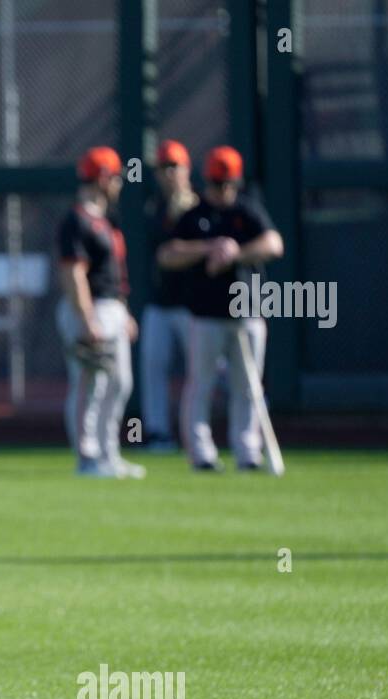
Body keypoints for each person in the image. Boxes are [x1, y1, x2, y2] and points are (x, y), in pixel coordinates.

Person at [158, 146, 284, 471]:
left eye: (227, 184)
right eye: (216, 184)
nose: (222, 191)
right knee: (201, 383)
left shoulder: (248, 211)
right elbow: (168, 254)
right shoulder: (195, 216)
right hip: (206, 315)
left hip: (248, 312)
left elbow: (274, 244)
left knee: (248, 386)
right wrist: (207, 248)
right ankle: (201, 454)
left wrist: (234, 254)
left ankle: (248, 452)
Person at [54, 146, 145, 479]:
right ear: (103, 177)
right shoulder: (77, 220)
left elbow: (114, 275)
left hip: (111, 308)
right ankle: (87, 457)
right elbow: (73, 272)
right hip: (88, 308)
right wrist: (86, 317)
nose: (119, 182)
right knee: (88, 384)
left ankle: (109, 454)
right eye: (116, 176)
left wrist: (124, 312)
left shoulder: (105, 219)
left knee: (120, 383)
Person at [139, 139, 199, 452]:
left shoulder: (199, 207)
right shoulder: (154, 208)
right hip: (160, 303)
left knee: (206, 370)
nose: (168, 173)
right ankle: (159, 434)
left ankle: (201, 434)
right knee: (153, 367)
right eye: (163, 168)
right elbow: (161, 250)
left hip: (192, 305)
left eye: (174, 166)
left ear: (186, 169)